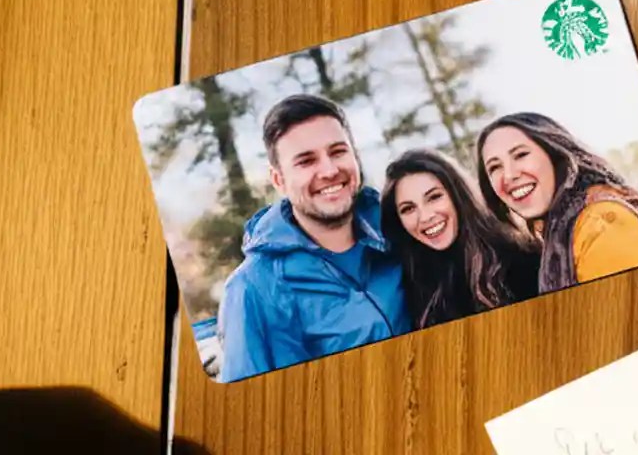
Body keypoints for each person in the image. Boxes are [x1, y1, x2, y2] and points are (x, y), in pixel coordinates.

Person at [217, 94, 413, 382]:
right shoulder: (252, 289)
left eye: (337, 152)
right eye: (306, 161)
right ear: (279, 180)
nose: (330, 170)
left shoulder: (402, 232)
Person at [475, 112, 638, 292]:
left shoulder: (601, 223)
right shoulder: (556, 233)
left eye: (521, 155)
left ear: (555, 154)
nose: (509, 175)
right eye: (494, 167)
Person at [379, 149, 540, 328]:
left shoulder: (519, 258)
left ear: (457, 194)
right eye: (408, 209)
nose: (425, 217)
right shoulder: (410, 284)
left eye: (434, 197)